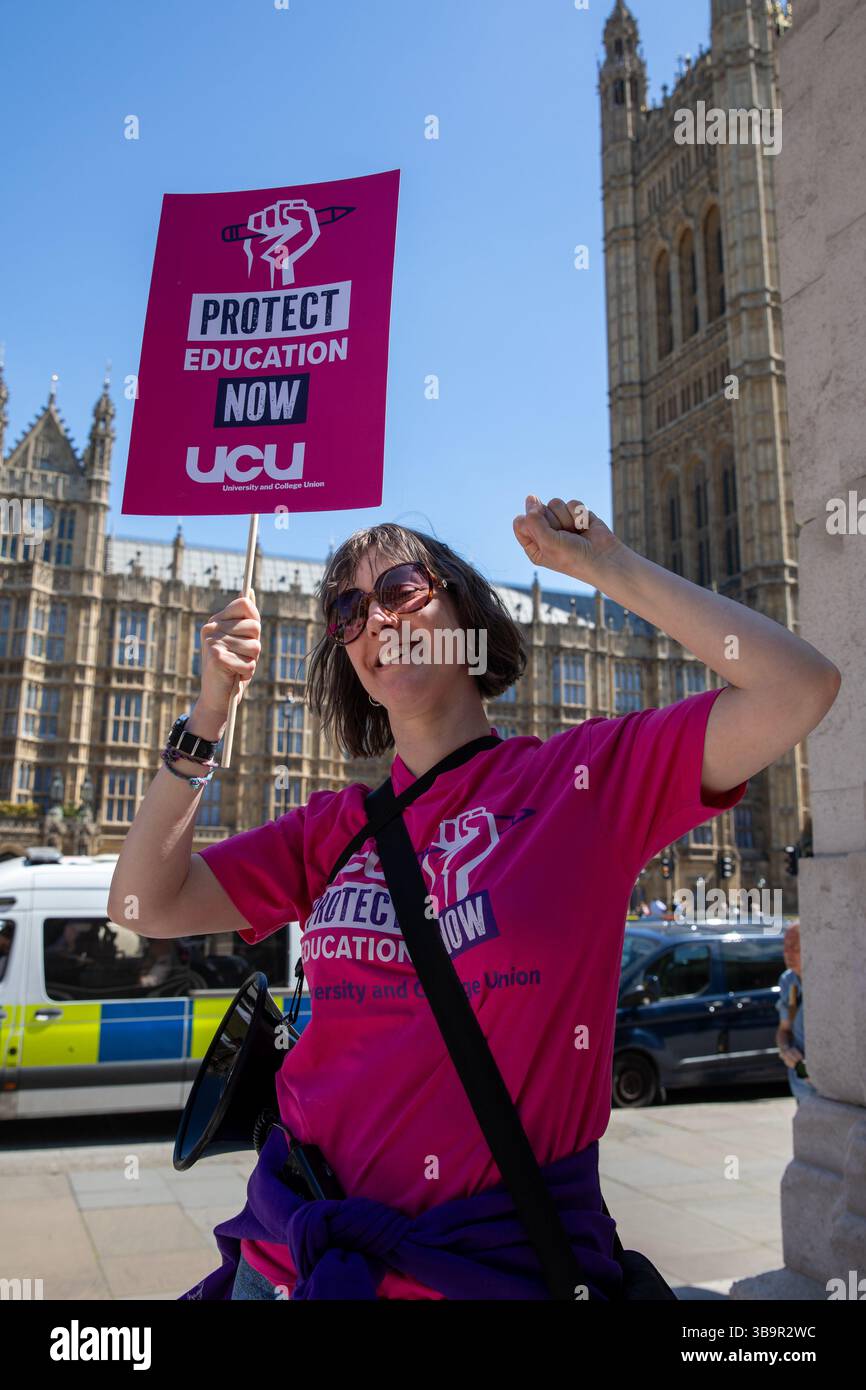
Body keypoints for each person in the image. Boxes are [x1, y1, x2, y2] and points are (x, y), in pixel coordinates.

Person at [108, 494, 841, 1300]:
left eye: (400, 591)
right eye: (349, 611)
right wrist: (209, 712)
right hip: (288, 1261)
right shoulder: (333, 829)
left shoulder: (581, 785)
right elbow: (144, 905)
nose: (376, 621)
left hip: (481, 1273)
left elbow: (798, 687)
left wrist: (608, 569)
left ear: (464, 607)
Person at [776, 922, 818, 1105]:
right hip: (802, 1090)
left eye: (795, 947)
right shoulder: (789, 981)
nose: (788, 953)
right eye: (785, 947)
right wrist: (786, 1050)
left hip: (827, 1093)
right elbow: (785, 1030)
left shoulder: (826, 981)